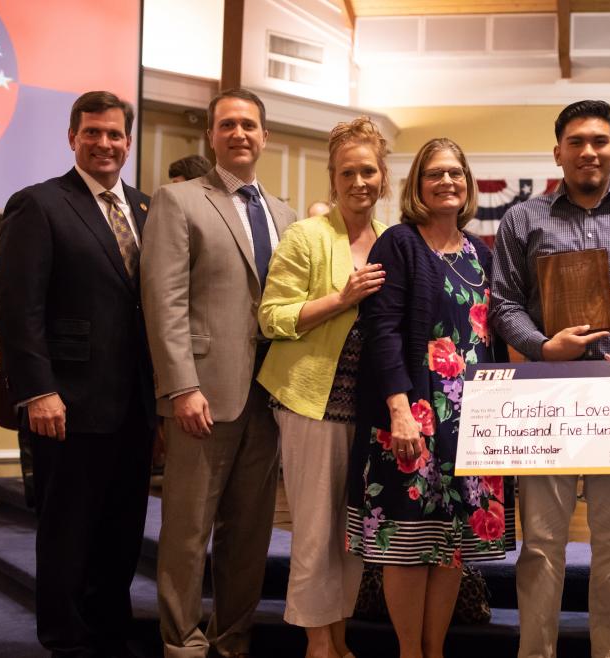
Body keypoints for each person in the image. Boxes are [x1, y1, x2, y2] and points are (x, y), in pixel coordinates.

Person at [490, 100, 610, 658]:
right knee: (542, 546)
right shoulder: (522, 219)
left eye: (599, 141)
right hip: (547, 397)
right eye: (576, 142)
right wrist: (541, 346)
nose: (588, 151)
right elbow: (504, 304)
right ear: (558, 152)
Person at [0, 90, 155, 656]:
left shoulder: (145, 209)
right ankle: (65, 636)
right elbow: (18, 309)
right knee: (67, 530)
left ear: (128, 143)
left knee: (121, 529)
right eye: (92, 133)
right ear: (72, 137)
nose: (104, 144)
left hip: (135, 404)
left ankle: (109, 628)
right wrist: (39, 390)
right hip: (67, 403)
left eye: (114, 134)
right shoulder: (38, 204)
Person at [141, 88, 297, 658]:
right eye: (227, 124)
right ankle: (182, 642)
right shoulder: (179, 200)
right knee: (187, 532)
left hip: (267, 396)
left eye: (249, 125)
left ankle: (233, 641)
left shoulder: (284, 213)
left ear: (264, 136)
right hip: (202, 396)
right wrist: (181, 387)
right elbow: (165, 303)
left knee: (250, 535)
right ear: (211, 136)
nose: (239, 134)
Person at [346, 138, 513, 658]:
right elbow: (384, 331)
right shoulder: (398, 243)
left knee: (451, 546)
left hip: (471, 418)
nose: (447, 182)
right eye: (435, 174)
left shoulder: (480, 252)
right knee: (409, 542)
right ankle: (408, 652)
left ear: (468, 185)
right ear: (417, 184)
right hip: (414, 411)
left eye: (456, 174)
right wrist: (399, 411)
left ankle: (434, 650)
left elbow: (491, 335)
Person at [257, 116, 389, 658]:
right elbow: (271, 317)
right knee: (314, 530)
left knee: (351, 533)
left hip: (370, 408)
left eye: (368, 171)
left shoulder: (392, 240)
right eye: (347, 172)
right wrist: (342, 297)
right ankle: (317, 641)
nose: (359, 181)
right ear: (331, 180)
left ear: (384, 177)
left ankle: (338, 635)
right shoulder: (306, 236)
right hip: (311, 402)